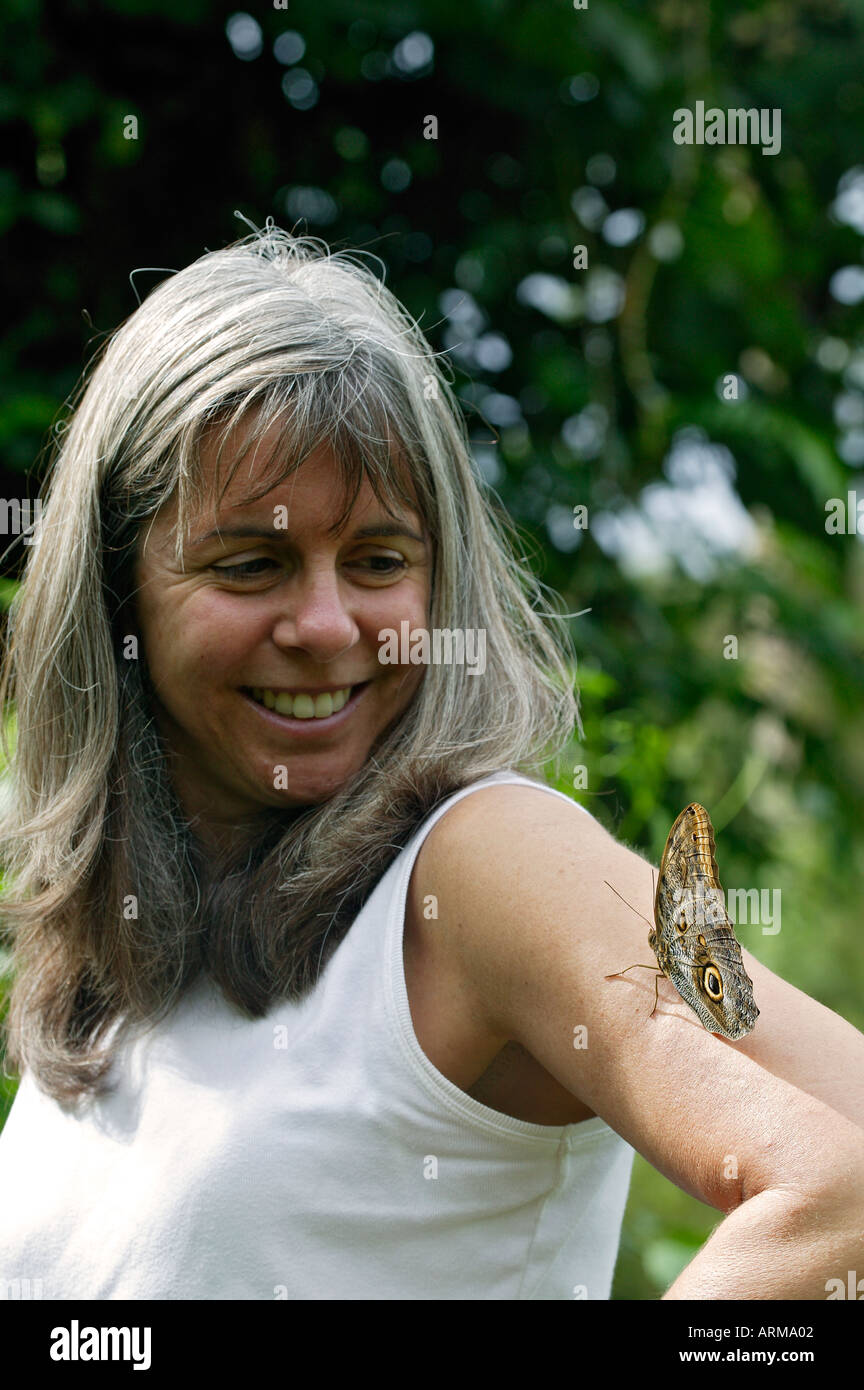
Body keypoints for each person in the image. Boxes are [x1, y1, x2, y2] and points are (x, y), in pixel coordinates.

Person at [0, 223, 861, 1301]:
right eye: (253, 562)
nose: (325, 623)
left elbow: (847, 1183)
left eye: (378, 560)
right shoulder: (112, 979)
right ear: (119, 592)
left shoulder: (483, 862)